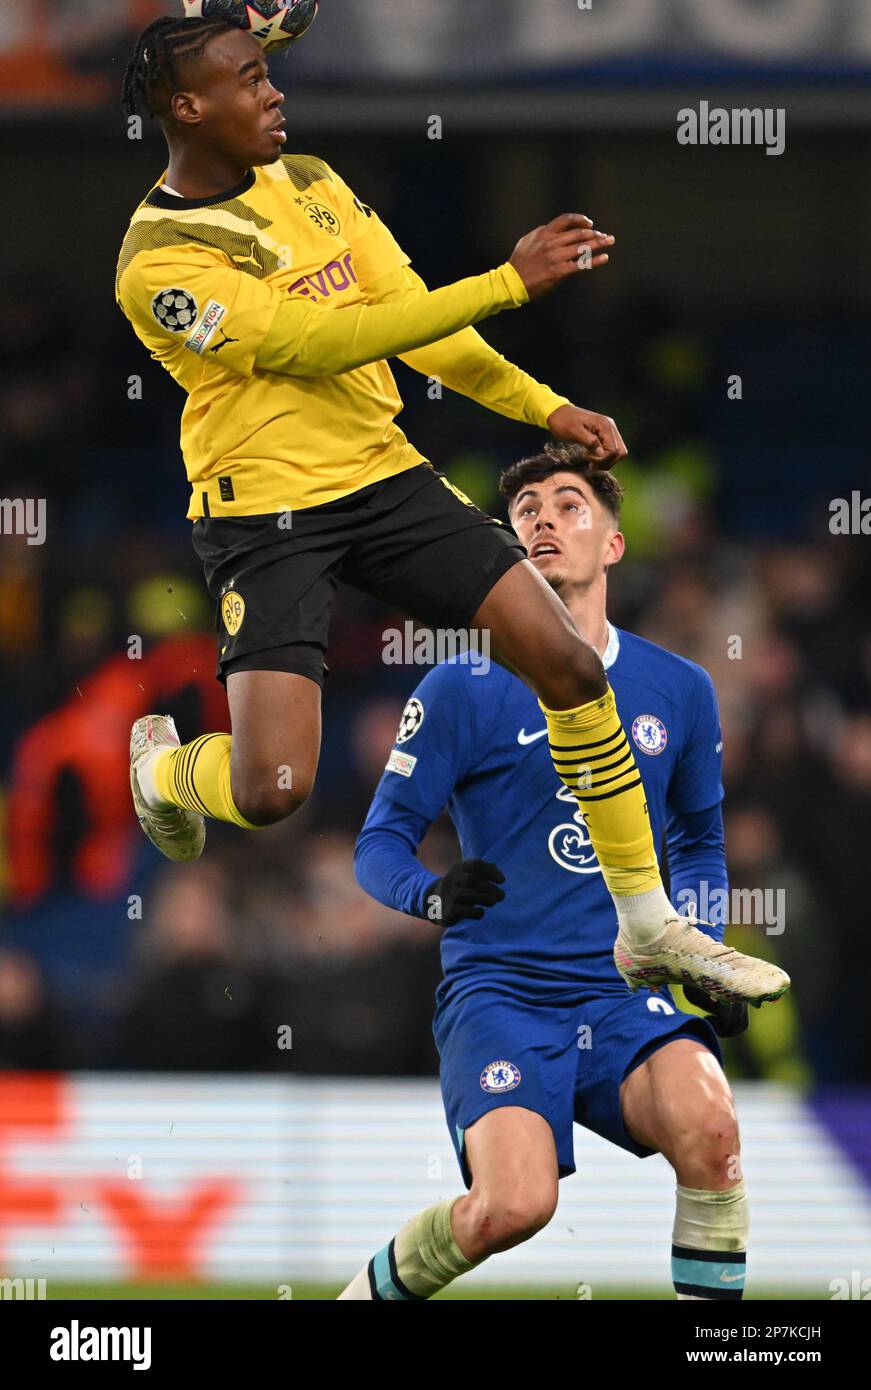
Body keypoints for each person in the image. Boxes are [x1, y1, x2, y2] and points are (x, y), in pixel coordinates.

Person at [116, 15, 788, 1001]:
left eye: (270, 76)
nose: (275, 95)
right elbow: (314, 342)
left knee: (563, 656)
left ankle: (647, 927)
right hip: (266, 511)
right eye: (251, 80)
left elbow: (415, 322)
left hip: (383, 475)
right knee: (272, 792)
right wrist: (510, 280)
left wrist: (544, 406)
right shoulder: (157, 264)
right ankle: (167, 774)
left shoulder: (311, 181)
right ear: (187, 108)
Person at [342, 444, 766, 1300]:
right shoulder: (462, 684)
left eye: (568, 505)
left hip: (619, 991)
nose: (542, 519)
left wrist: (701, 950)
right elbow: (377, 843)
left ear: (612, 543)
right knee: (511, 1208)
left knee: (712, 1133)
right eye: (526, 508)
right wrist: (429, 893)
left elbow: (698, 841)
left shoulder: (677, 687)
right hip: (500, 993)